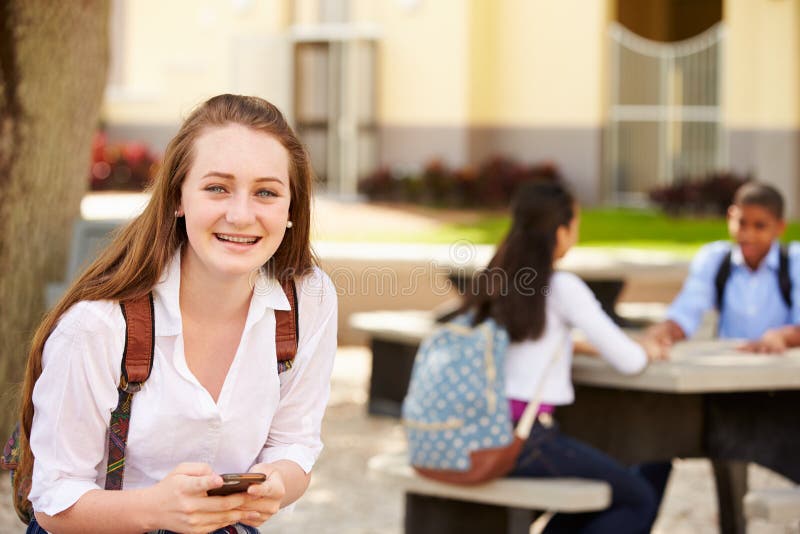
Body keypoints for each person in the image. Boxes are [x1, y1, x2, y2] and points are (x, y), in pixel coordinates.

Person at [16, 94, 337, 533]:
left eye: (266, 192)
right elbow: (54, 504)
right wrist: (156, 509)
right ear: (177, 198)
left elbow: (295, 444)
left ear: (291, 209)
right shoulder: (98, 326)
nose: (241, 215)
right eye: (217, 188)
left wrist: (276, 483)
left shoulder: (309, 298)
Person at [461, 180, 664, 533]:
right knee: (639, 497)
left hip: (476, 431)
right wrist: (646, 349)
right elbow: (630, 361)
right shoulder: (561, 287)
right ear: (561, 231)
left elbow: (523, 339)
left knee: (605, 492)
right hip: (525, 440)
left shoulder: (495, 279)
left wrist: (576, 345)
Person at [644, 181, 800, 356]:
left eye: (760, 226)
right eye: (741, 223)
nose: (748, 235)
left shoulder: (795, 261)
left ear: (780, 227)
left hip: (784, 365)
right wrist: (664, 332)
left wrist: (783, 337)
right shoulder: (715, 259)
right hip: (731, 364)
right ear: (730, 216)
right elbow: (687, 310)